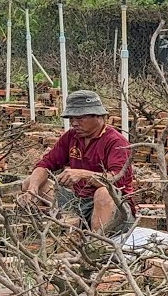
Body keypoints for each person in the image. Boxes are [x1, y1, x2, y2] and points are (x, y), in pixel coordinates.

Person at [17, 90, 136, 235]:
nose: (74, 123)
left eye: (80, 118)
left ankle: (97, 242)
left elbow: (116, 180)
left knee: (104, 192)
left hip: (115, 209)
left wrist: (84, 175)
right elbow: (45, 164)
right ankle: (69, 226)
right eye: (71, 118)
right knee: (32, 181)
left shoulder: (116, 142)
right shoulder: (72, 136)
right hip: (78, 202)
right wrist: (32, 190)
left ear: (98, 116)